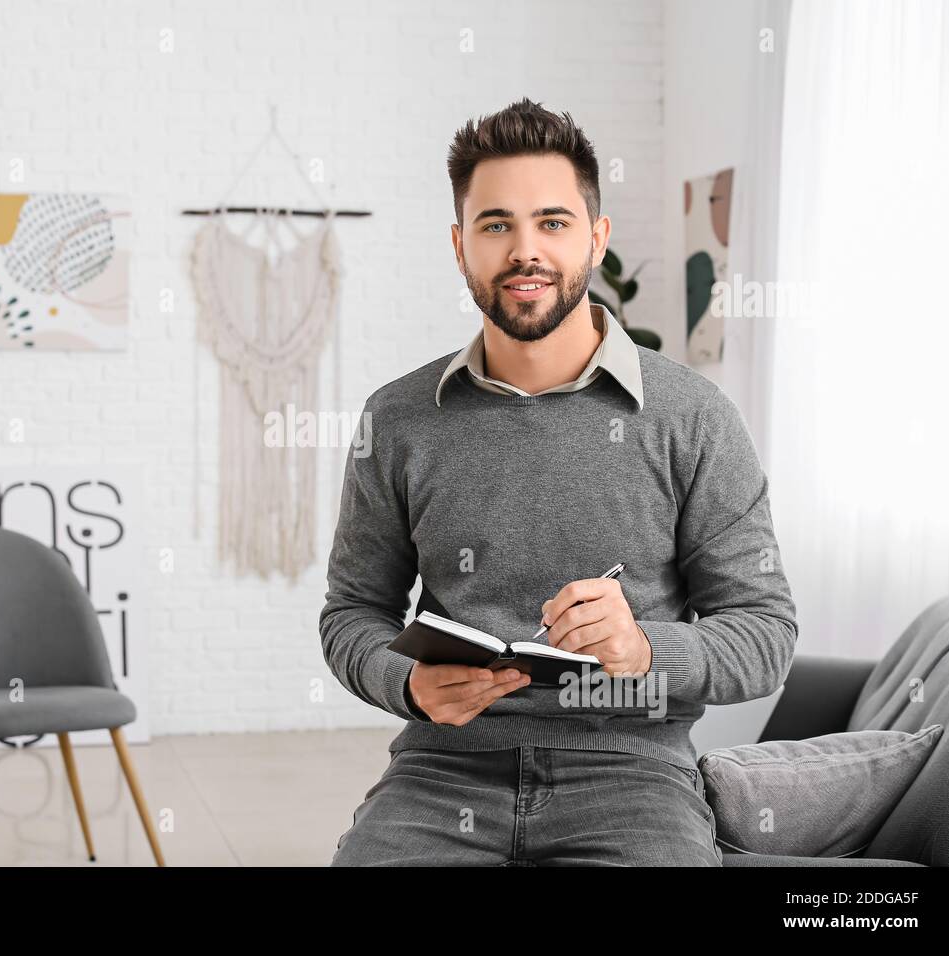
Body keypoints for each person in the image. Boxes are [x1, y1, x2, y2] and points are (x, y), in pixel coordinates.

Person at [319, 98, 797, 866]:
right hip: (442, 772)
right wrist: (408, 685)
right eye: (496, 225)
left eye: (552, 222)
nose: (525, 250)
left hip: (634, 776)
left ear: (596, 238)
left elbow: (766, 633)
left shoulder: (694, 417)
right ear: (460, 246)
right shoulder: (399, 419)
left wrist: (645, 650)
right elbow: (352, 613)